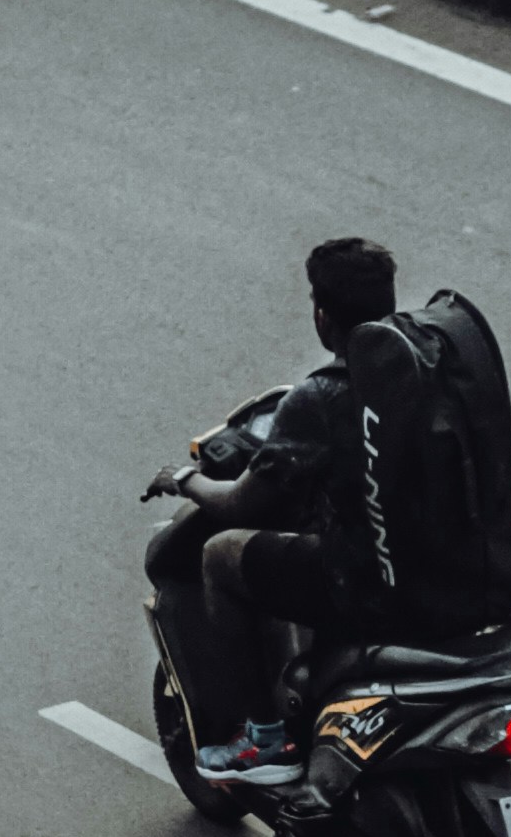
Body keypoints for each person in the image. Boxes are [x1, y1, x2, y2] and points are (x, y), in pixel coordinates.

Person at [147, 235, 455, 783]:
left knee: (221, 554)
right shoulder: (434, 372)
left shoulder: (325, 395)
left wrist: (187, 480)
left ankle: (265, 739)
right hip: (443, 567)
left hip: (369, 584)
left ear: (322, 314)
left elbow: (244, 501)